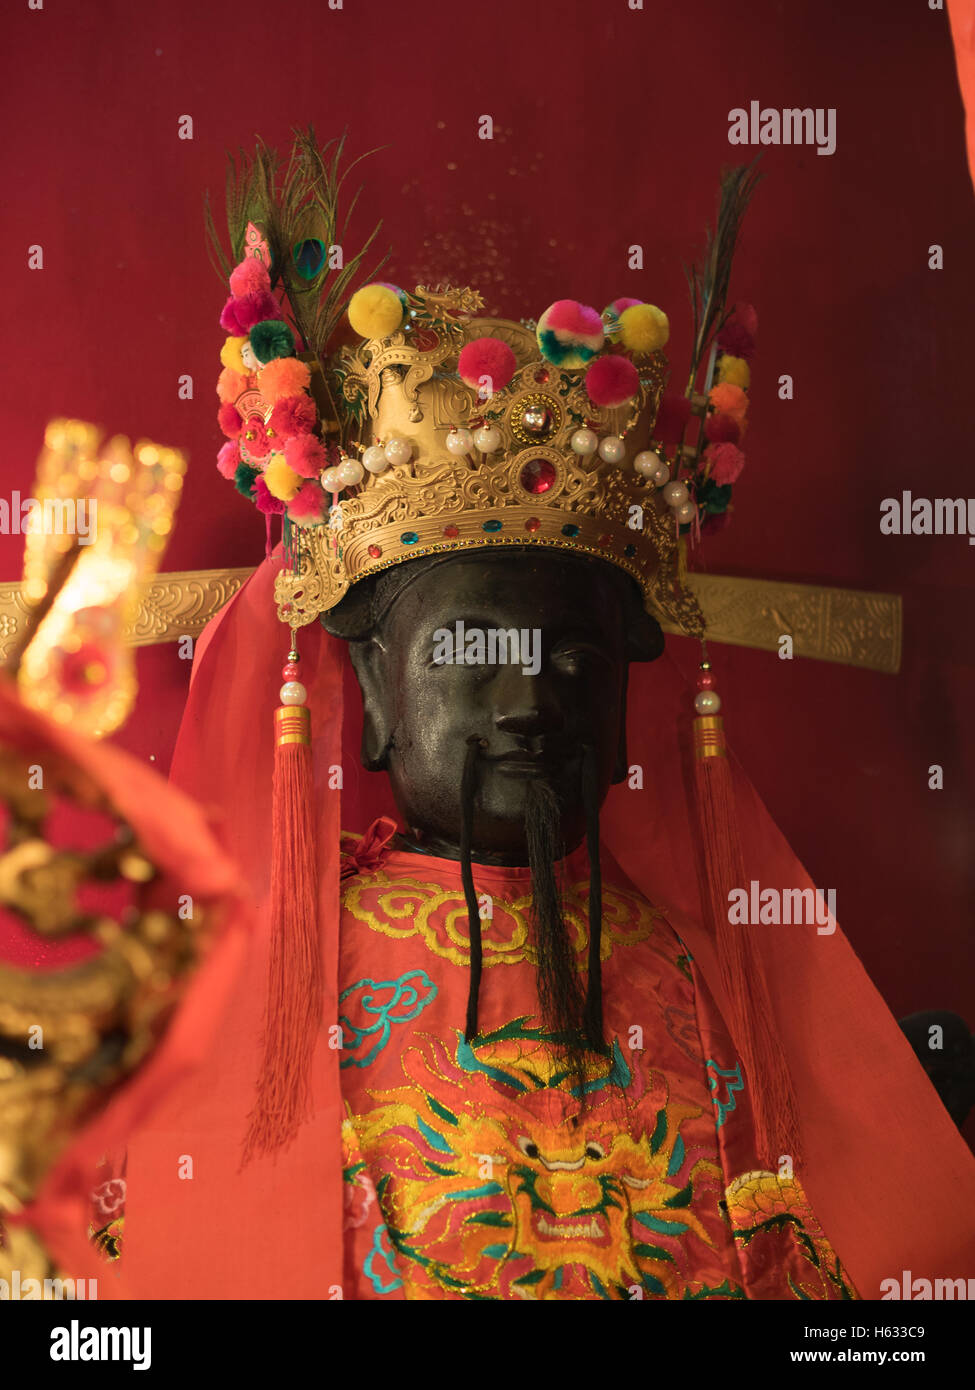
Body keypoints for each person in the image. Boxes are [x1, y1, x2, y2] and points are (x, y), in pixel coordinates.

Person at [119, 279, 975, 1302]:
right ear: (377, 693)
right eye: (476, 647)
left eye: (574, 657)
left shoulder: (714, 977)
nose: (531, 698)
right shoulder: (275, 982)